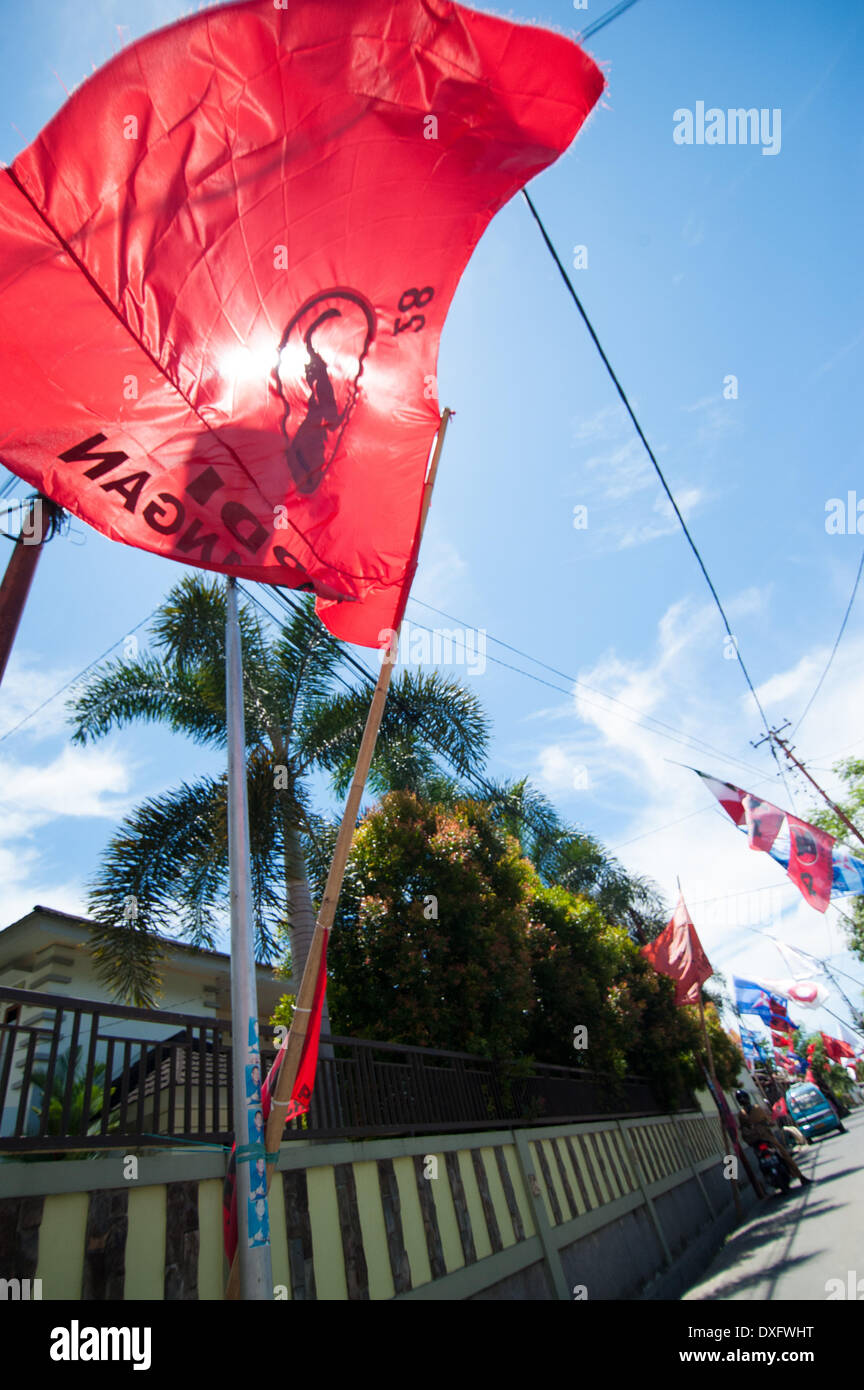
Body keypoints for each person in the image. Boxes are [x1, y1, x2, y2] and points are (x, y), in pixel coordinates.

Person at [735, 1089, 812, 1186]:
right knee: (784, 1154)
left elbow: (745, 1127)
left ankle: (794, 1176)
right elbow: (767, 1121)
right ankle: (800, 1176)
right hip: (762, 1138)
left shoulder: (744, 1113)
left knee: (775, 1155)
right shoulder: (753, 1110)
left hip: (759, 1140)